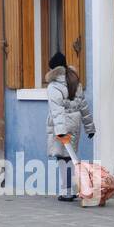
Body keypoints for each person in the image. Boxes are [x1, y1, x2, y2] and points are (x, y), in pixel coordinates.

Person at [45, 51, 95, 201]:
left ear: (53, 68)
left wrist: (60, 132)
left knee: (63, 158)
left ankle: (68, 191)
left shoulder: (54, 87)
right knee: (70, 157)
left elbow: (57, 111)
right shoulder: (74, 81)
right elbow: (83, 107)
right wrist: (90, 128)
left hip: (62, 125)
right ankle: (72, 189)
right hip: (75, 124)